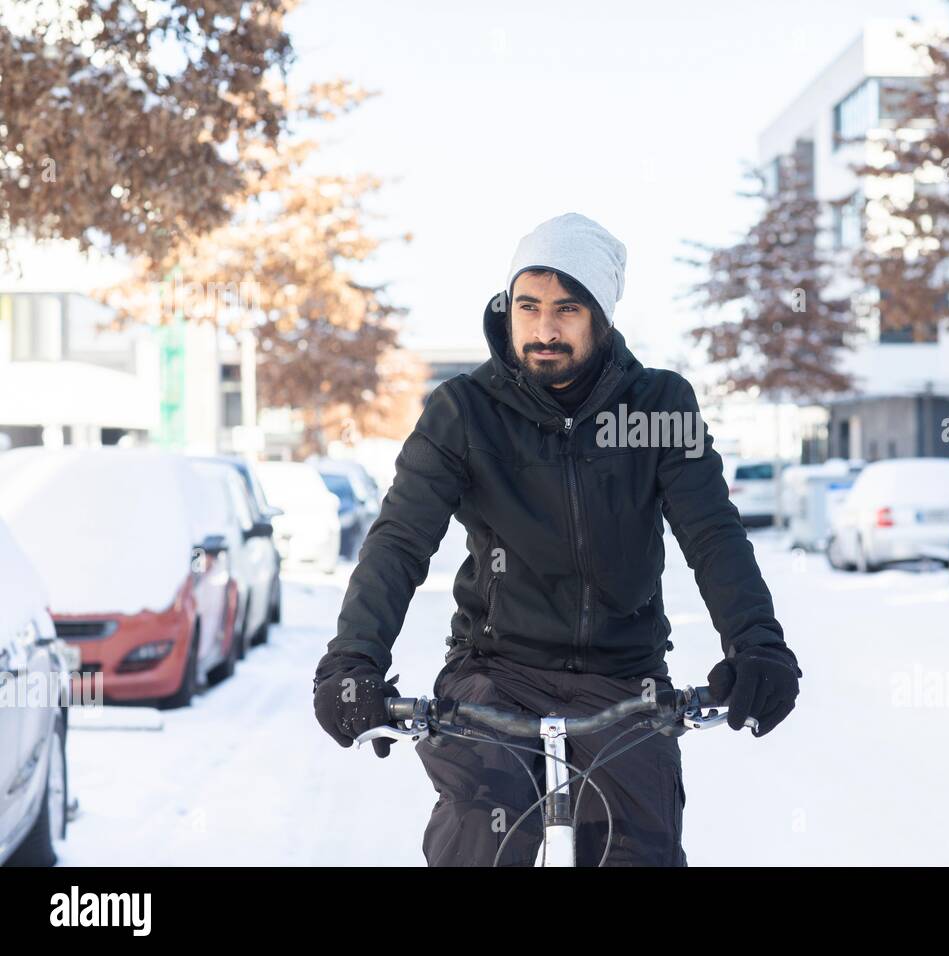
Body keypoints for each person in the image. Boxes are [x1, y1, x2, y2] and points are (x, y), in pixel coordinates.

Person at [312, 212, 801, 866]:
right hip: (494, 673)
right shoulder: (463, 412)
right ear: (508, 308)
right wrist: (353, 661)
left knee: (641, 849)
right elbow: (399, 540)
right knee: (481, 830)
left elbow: (713, 533)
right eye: (529, 306)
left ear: (600, 315)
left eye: (567, 309)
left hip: (623, 680)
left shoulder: (658, 408)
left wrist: (757, 647)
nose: (544, 329)